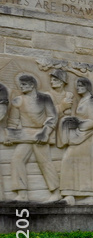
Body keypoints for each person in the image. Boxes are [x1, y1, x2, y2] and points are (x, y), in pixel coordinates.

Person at [5, 74, 60, 202]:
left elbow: (52, 117)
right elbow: (13, 121)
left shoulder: (45, 98)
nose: (21, 86)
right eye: (20, 84)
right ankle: (22, 194)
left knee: (45, 162)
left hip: (40, 134)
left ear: (32, 85)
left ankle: (56, 192)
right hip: (25, 135)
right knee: (16, 160)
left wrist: (45, 132)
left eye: (24, 84)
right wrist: (9, 136)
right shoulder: (18, 100)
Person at [58, 77, 93, 204]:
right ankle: (70, 194)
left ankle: (86, 196)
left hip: (86, 138)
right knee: (70, 162)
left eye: (81, 86)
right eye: (77, 86)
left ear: (87, 86)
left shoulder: (91, 101)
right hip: (79, 137)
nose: (77, 88)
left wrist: (77, 123)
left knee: (74, 162)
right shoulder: (82, 100)